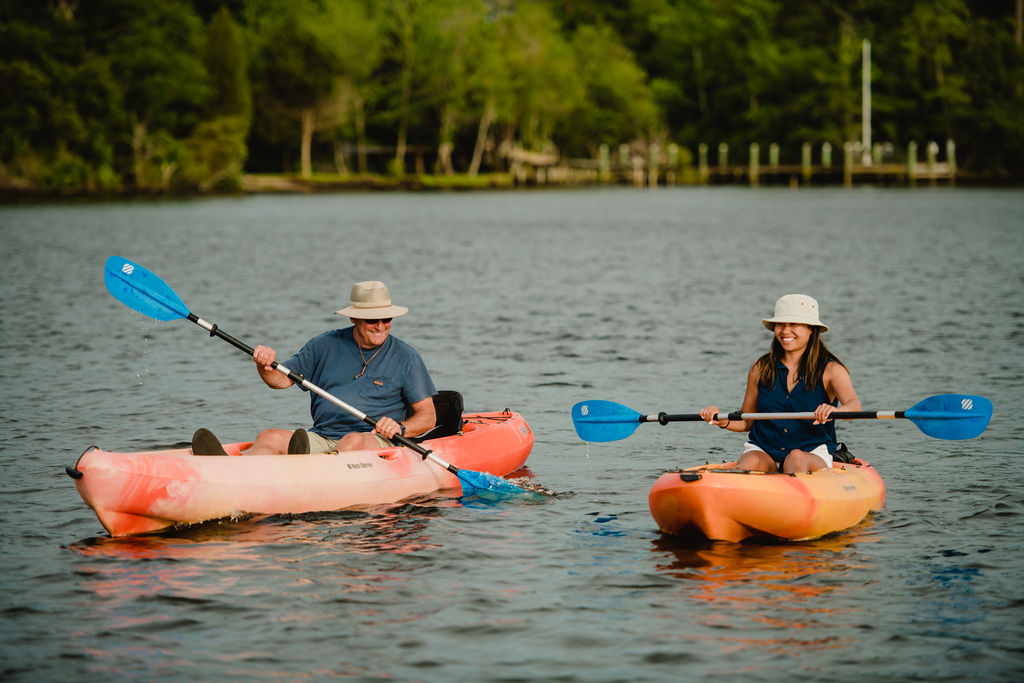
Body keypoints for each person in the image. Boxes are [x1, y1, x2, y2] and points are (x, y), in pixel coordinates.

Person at [192, 280, 436, 455]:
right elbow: (282, 380)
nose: (380, 326)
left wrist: (400, 426)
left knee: (352, 441)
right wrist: (264, 366)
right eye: (373, 320)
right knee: (270, 436)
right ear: (354, 318)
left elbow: (428, 416)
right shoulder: (325, 345)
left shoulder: (407, 357)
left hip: (375, 441)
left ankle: (317, 474)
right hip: (323, 436)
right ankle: (235, 473)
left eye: (387, 319)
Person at [699, 294, 861, 474]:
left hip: (811, 452)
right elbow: (747, 422)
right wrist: (720, 420)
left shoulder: (832, 370)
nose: (785, 331)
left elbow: (855, 407)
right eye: (781, 324)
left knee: (795, 457)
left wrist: (836, 411)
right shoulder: (760, 368)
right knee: (751, 459)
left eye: (794, 324)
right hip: (764, 450)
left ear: (811, 329)